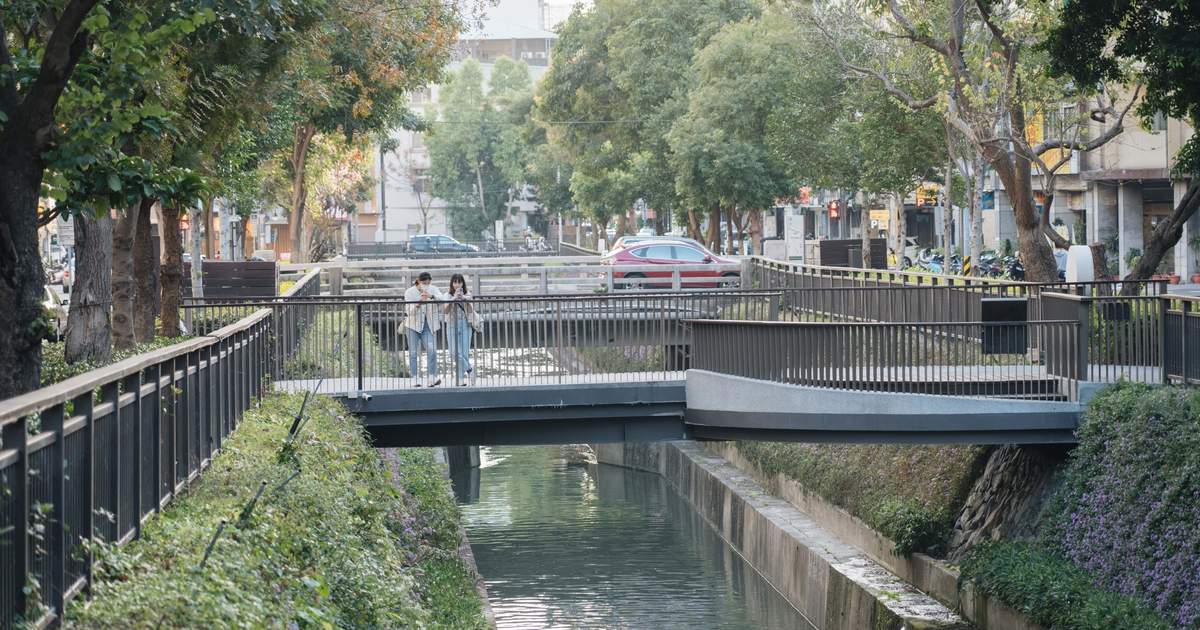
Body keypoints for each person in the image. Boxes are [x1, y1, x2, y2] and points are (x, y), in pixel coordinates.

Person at [404, 272, 446, 386]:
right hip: (412, 325)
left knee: (432, 350)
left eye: (428, 282)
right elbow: (408, 311)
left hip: (428, 325)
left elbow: (442, 299)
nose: (426, 285)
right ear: (418, 281)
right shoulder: (409, 292)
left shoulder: (434, 289)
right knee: (413, 352)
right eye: (424, 283)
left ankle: (431, 377)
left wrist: (431, 296)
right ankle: (415, 378)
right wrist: (419, 303)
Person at [443, 273, 476, 386]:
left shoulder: (468, 294)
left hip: (465, 325)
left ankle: (461, 380)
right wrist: (453, 299)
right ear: (452, 283)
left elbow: (471, 310)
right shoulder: (447, 295)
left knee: (464, 353)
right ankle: (470, 369)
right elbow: (445, 311)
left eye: (459, 282)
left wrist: (464, 299)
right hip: (452, 324)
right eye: (455, 282)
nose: (457, 284)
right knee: (453, 352)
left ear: (463, 283)